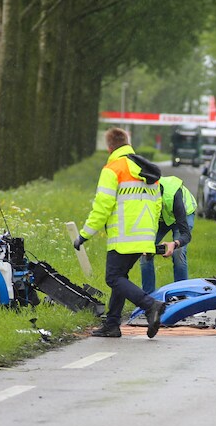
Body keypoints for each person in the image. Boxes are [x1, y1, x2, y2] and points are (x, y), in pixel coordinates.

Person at [73, 127, 165, 338]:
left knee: (113, 278)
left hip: (123, 236)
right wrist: (150, 237)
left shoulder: (113, 169)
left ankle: (150, 305)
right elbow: (158, 205)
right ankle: (112, 325)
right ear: (127, 141)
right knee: (120, 277)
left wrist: (85, 234)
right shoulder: (148, 169)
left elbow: (102, 206)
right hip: (144, 237)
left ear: (109, 146)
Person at [140, 174, 196, 294]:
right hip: (161, 219)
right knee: (145, 253)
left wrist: (175, 244)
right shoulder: (140, 196)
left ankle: (181, 296)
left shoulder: (173, 194)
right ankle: (148, 298)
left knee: (178, 253)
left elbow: (186, 234)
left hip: (183, 215)